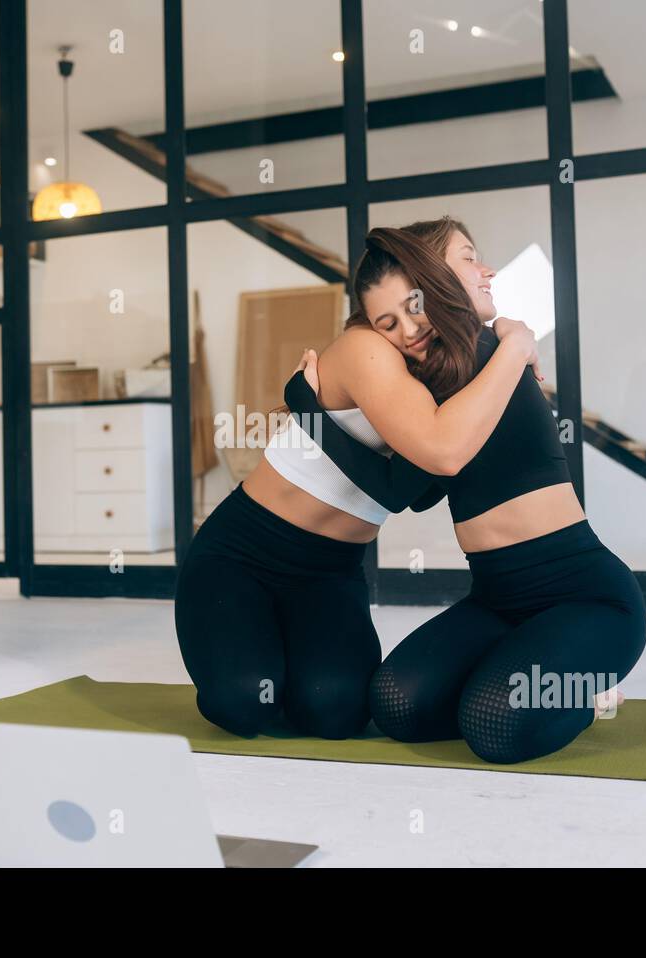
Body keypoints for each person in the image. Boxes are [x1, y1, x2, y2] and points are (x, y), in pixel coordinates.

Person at [285, 219, 646, 764]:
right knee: (396, 705)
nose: (488, 271)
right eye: (468, 258)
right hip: (498, 601)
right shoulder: (442, 381)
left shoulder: (488, 354)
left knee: (494, 728)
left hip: (587, 598)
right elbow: (412, 490)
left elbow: (424, 467)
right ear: (434, 276)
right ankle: (518, 671)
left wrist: (311, 412)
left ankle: (589, 695)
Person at [173, 233, 542, 740]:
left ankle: (282, 661)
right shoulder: (364, 350)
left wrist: (306, 404)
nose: (408, 331)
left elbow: (416, 493)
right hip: (243, 556)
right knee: (242, 703)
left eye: (414, 309)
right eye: (387, 322)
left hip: (330, 573)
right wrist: (515, 348)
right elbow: (401, 486)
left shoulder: (444, 374)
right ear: (370, 325)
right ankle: (254, 657)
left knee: (338, 713)